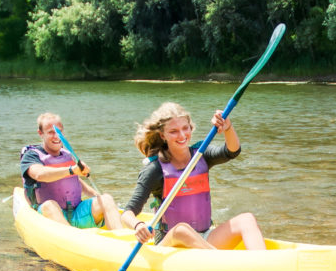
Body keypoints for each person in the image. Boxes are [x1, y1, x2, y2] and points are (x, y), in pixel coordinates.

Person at [121, 102, 266, 251]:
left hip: (205, 237)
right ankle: (223, 262)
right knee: (181, 230)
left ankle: (263, 265)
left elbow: (232, 151)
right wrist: (138, 225)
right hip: (171, 244)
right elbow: (127, 213)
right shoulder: (155, 169)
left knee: (247, 219)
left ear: (191, 127)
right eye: (174, 131)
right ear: (162, 135)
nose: (182, 135)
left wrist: (227, 127)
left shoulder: (201, 156)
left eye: (185, 128)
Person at [20, 113, 124, 229]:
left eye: (58, 131)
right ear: (41, 133)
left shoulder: (67, 154)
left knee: (106, 198)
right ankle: (72, 238)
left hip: (77, 213)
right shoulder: (31, 156)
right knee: (50, 205)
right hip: (50, 215)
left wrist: (99, 197)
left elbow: (75, 181)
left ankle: (120, 238)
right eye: (50, 132)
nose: (56, 136)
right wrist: (71, 170)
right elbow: (39, 174)